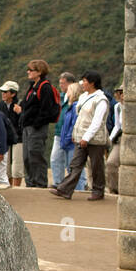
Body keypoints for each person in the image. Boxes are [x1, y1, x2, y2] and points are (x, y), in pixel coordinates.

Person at [50, 71, 110, 200]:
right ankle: (65, 189)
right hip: (80, 137)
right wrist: (75, 134)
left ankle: (98, 190)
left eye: (85, 81)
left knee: (96, 166)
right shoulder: (83, 97)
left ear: (92, 83)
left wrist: (86, 137)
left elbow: (97, 122)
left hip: (95, 139)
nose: (82, 84)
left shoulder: (101, 100)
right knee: (76, 164)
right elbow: (79, 118)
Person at [14, 59, 59, 189]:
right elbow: (29, 106)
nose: (28, 72)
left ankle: (40, 183)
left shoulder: (45, 87)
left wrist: (36, 122)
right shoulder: (32, 86)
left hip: (37, 127)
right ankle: (30, 183)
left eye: (31, 70)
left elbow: (46, 109)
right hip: (28, 127)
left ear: (39, 72)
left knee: (36, 155)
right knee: (27, 157)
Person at [58, 81, 88, 191]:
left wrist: (66, 140)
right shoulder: (71, 106)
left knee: (74, 168)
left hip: (71, 143)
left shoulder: (75, 107)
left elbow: (73, 126)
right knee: (70, 167)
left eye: (69, 90)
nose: (67, 92)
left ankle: (79, 190)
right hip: (67, 142)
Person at [50, 72, 76, 187]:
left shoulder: (76, 99)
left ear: (71, 84)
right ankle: (58, 183)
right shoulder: (60, 97)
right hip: (59, 132)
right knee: (55, 159)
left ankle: (77, 185)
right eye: (60, 83)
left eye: (63, 83)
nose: (61, 86)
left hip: (71, 135)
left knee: (71, 163)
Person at [0, 81, 23, 186]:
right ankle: (9, 187)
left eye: (5, 92)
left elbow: (24, 121)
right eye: (2, 91)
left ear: (13, 94)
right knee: (6, 168)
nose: (3, 94)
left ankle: (16, 189)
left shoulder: (20, 104)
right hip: (6, 140)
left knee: (17, 167)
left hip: (19, 139)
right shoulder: (1, 106)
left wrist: (20, 113)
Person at [105, 86, 125, 194]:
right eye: (120, 93)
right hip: (120, 137)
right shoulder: (117, 107)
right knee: (111, 163)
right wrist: (110, 140)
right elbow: (117, 125)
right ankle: (114, 189)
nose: (122, 95)